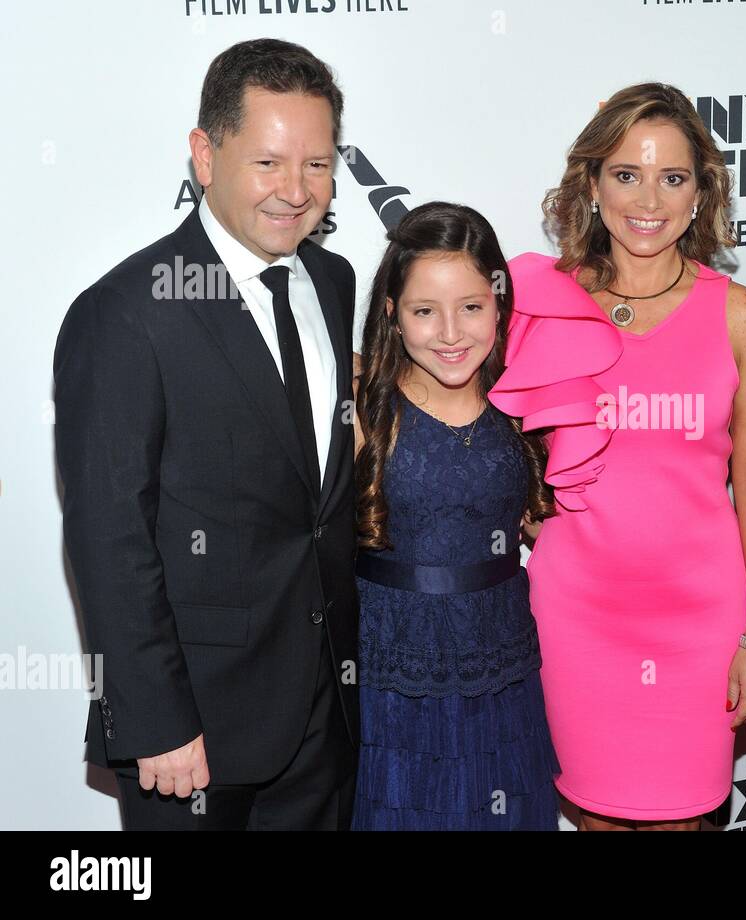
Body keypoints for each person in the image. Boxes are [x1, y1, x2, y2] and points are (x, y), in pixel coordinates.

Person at [53, 39, 360, 829]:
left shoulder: (332, 279)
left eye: (319, 165)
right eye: (268, 163)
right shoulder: (124, 314)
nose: (297, 192)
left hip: (326, 715)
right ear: (204, 153)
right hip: (192, 735)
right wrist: (156, 721)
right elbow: (108, 536)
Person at [487, 82, 746, 830]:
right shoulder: (542, 304)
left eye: (672, 177)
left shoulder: (740, 315)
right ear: (592, 184)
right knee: (595, 819)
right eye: (626, 174)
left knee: (686, 819)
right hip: (576, 618)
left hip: (700, 624)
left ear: (700, 193)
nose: (648, 198)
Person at [349, 202, 561, 830]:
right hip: (392, 670)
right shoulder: (359, 407)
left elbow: (556, 532)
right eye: (424, 311)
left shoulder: (527, 403)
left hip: (503, 667)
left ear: (500, 303)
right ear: (391, 311)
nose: (450, 333)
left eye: (471, 306)